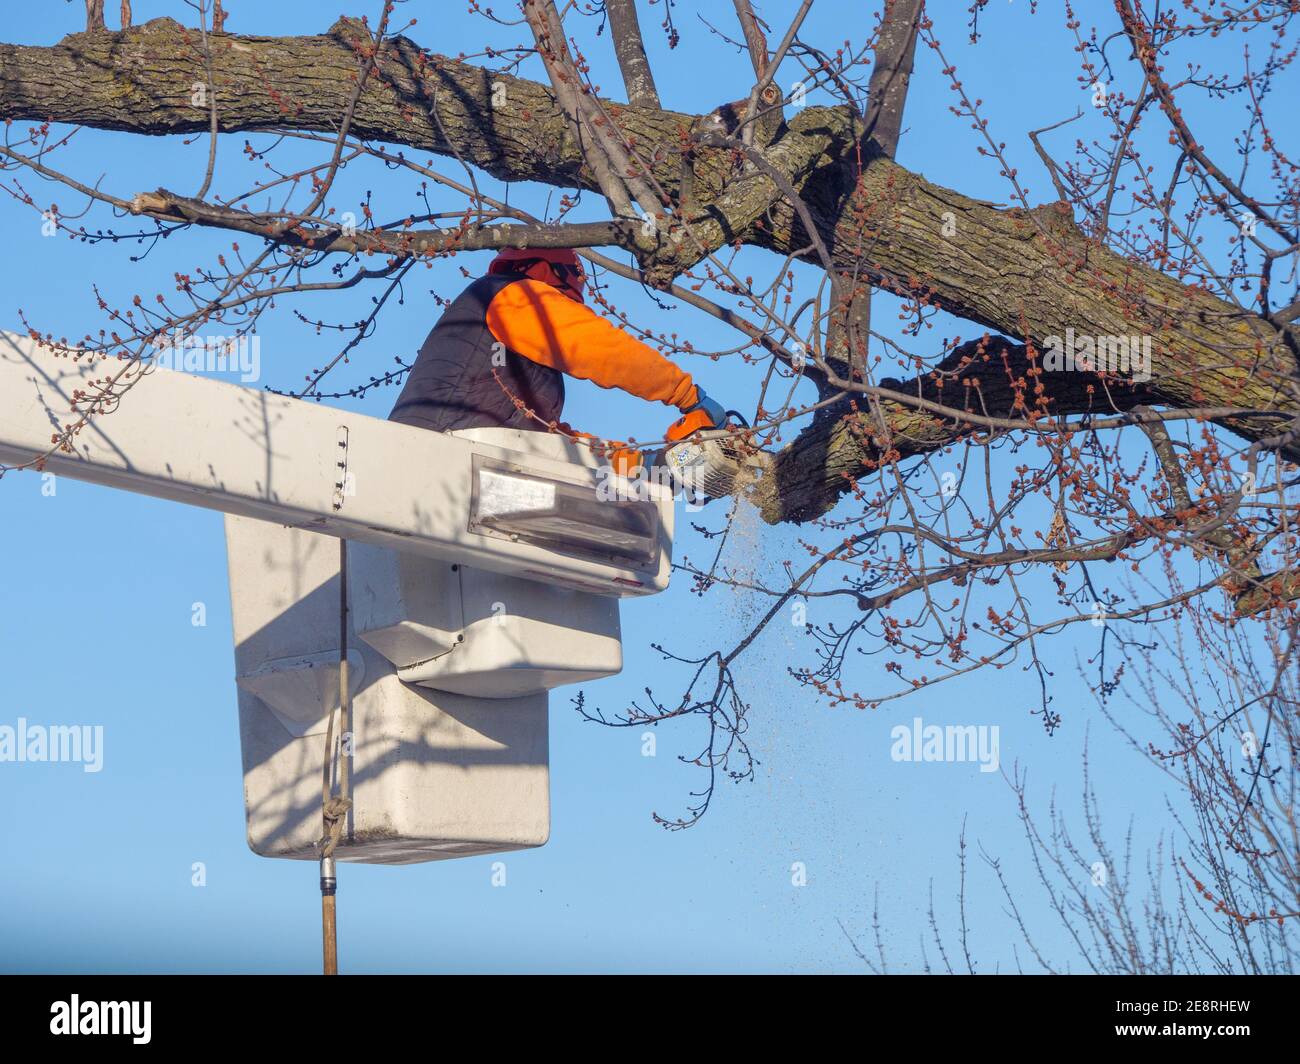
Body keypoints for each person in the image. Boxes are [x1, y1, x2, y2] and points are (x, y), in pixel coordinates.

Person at [388, 248, 726, 448]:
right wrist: (688, 396)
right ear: (557, 275)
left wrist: (643, 463)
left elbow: (547, 439)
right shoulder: (513, 297)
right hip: (440, 453)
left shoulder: (517, 354)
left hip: (458, 459)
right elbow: (602, 350)